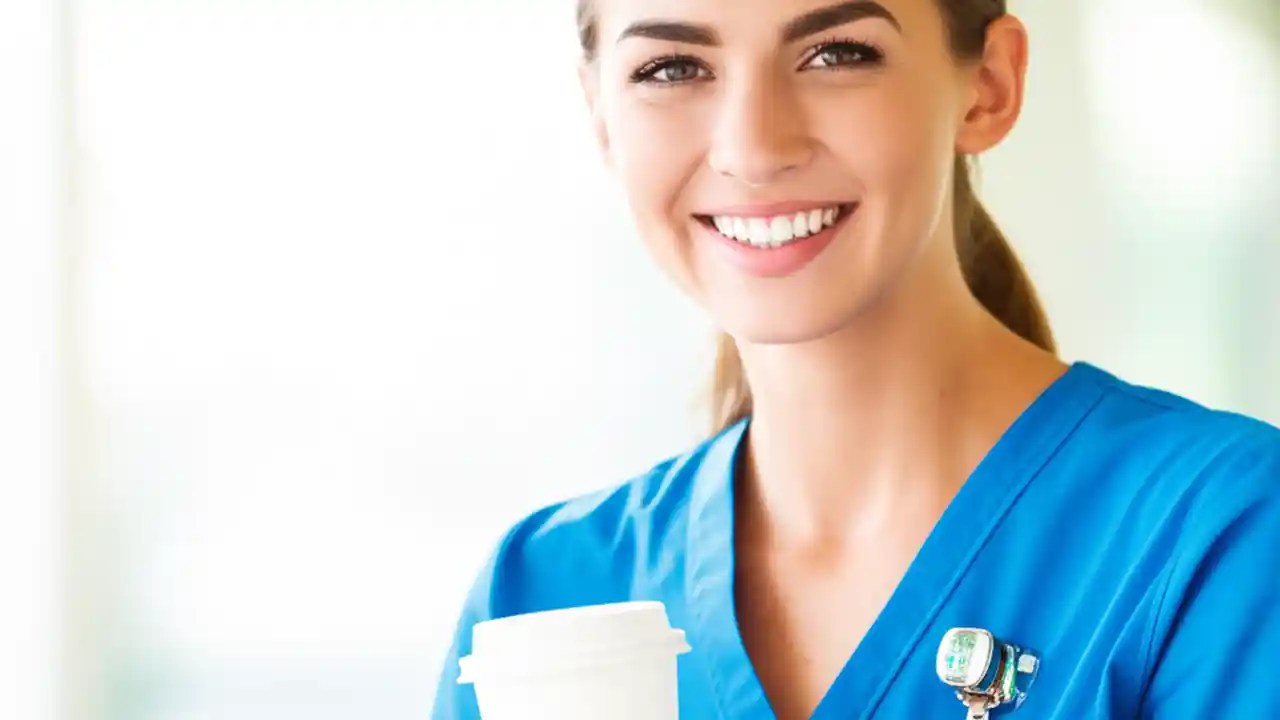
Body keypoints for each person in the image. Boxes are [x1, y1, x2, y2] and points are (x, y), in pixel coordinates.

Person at [432, 0, 1280, 718]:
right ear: (600, 118)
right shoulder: (541, 594)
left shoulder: (1223, 538)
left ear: (988, 85)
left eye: (837, 53)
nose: (752, 148)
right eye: (671, 70)